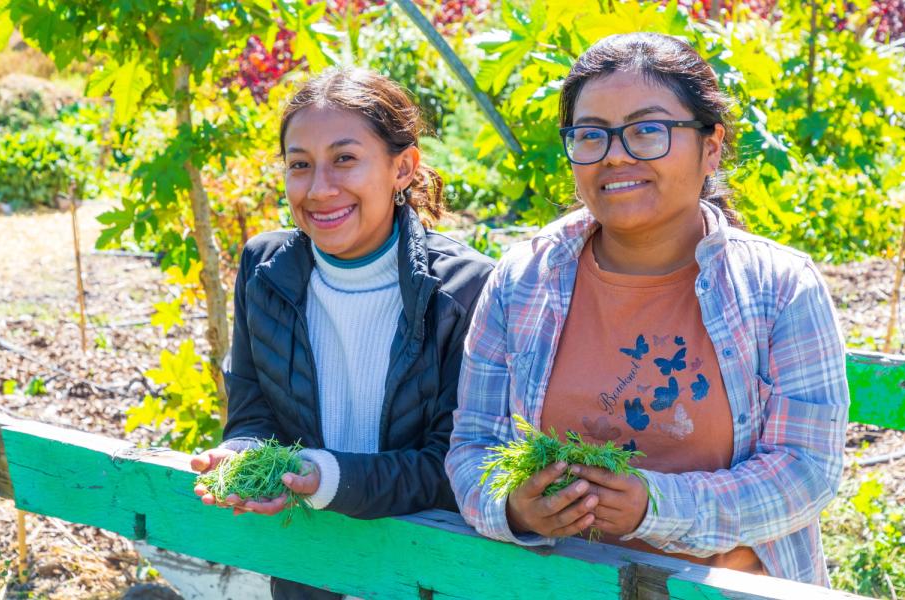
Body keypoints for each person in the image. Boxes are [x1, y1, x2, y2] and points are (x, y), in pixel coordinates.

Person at [446, 32, 849, 586]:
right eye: (591, 135)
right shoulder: (523, 281)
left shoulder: (778, 289)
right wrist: (513, 507)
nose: (615, 154)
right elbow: (474, 448)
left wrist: (656, 507)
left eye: (646, 131)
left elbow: (806, 472)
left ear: (710, 146)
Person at [191, 67, 494, 599]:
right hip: (308, 565)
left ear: (403, 167)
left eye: (345, 159)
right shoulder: (265, 270)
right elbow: (254, 412)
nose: (319, 188)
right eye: (300, 165)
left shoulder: (464, 289)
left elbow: (455, 466)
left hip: (423, 573)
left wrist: (328, 478)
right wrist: (240, 452)